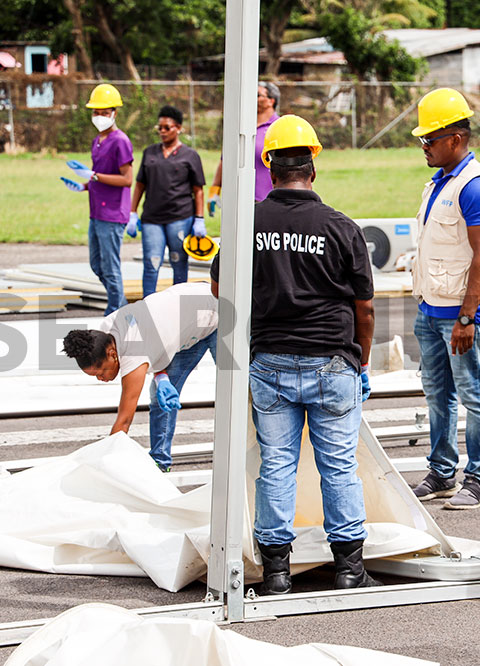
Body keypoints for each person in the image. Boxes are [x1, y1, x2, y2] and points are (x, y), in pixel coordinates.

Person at [209, 115, 379, 595]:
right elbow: (363, 307)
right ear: (313, 169)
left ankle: (277, 573)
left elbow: (221, 285)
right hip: (332, 360)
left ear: (270, 167)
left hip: (270, 362)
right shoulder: (340, 227)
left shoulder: (250, 223)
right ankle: (349, 568)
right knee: (338, 465)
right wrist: (360, 362)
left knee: (276, 464)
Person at [408, 88, 480, 510]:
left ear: (456, 139)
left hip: (463, 314)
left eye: (429, 139)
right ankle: (442, 472)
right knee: (437, 393)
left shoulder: (475, 185)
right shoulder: (438, 183)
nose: (423, 146)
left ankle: (477, 480)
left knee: (473, 393)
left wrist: (467, 317)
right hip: (431, 308)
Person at [61, 281, 218, 472]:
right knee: (161, 397)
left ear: (112, 354)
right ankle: (160, 462)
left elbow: (124, 421)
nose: (101, 379)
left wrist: (103, 467)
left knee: (237, 387)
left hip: (217, 311)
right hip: (189, 316)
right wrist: (162, 378)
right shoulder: (104, 331)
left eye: (101, 372)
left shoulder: (133, 355)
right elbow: (153, 346)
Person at [61, 83, 134, 315]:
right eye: (96, 112)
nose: (99, 116)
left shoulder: (120, 141)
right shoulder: (98, 141)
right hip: (96, 211)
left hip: (112, 214)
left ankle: (115, 311)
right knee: (97, 265)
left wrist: (94, 175)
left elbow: (126, 179)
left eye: (104, 112)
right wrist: (84, 185)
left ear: (115, 113)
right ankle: (120, 305)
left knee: (110, 267)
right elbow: (99, 176)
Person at [131, 105, 205, 297]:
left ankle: (177, 305)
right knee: (152, 262)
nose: (162, 132)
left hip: (179, 217)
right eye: (160, 128)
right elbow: (140, 185)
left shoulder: (190, 155)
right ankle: (147, 306)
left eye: (167, 127)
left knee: (178, 261)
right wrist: (132, 213)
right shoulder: (150, 152)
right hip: (152, 219)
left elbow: (198, 190)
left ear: (179, 128)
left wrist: (199, 218)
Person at [206, 81, 281, 218]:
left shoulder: (279, 127)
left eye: (258, 95)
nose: (253, 98)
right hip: (238, 201)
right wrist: (214, 191)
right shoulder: (241, 126)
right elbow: (226, 159)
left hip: (268, 202)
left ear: (271, 101)